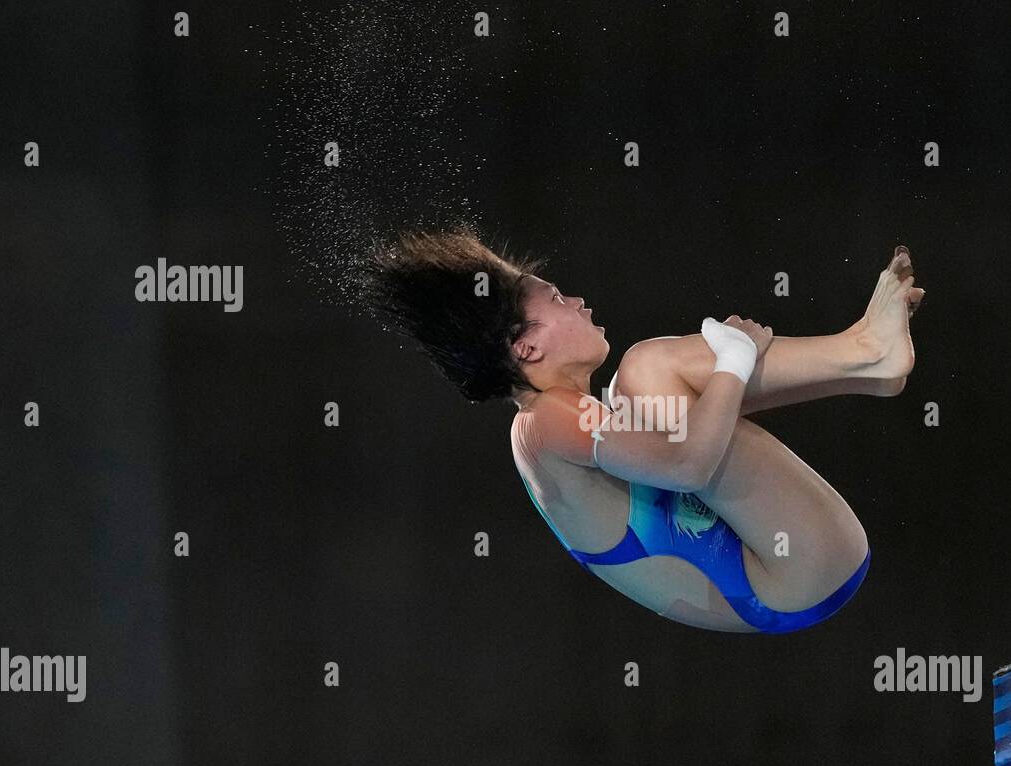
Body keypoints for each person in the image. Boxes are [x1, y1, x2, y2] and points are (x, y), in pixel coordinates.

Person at [363, 225, 925, 633]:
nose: (578, 301)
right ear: (526, 346)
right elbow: (688, 466)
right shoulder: (541, 423)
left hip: (800, 572)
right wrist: (732, 360)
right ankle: (867, 352)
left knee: (647, 386)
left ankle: (868, 364)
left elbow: (694, 447)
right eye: (558, 298)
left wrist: (731, 368)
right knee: (646, 369)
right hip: (790, 576)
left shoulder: (581, 422)